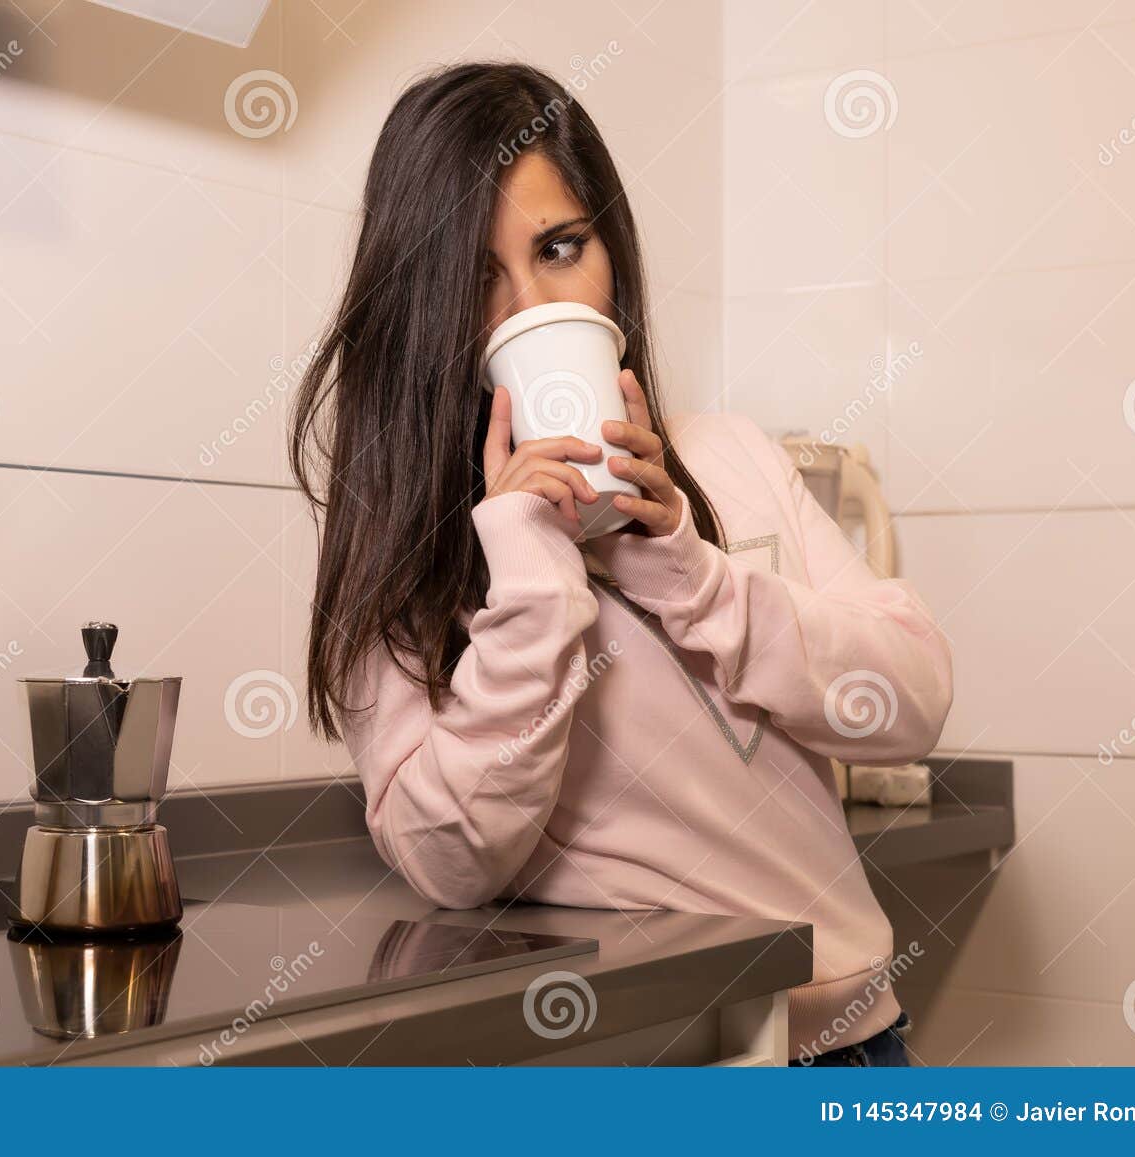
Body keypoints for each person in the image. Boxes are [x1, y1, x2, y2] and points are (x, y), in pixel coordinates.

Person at [287, 61, 951, 1066]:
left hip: (854, 1044)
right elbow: (453, 859)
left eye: (561, 247)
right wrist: (529, 568)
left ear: (613, 255)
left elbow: (908, 702)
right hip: (659, 1062)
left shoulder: (728, 455)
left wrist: (692, 571)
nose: (527, 306)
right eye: (475, 279)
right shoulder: (404, 560)